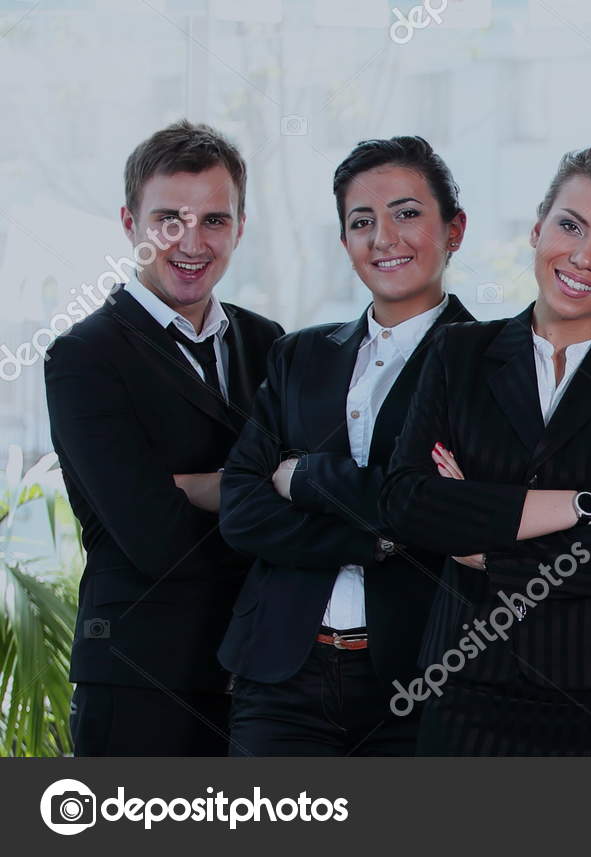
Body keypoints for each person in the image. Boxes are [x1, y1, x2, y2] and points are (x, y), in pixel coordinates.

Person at [380, 139, 591, 756]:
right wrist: (581, 506)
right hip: (467, 684)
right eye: (571, 225)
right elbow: (405, 502)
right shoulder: (458, 353)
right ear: (537, 225)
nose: (583, 257)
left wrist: (488, 550)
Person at [217, 136, 474, 755]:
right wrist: (377, 538)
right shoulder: (299, 355)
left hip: (420, 682)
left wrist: (305, 479)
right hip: (281, 677)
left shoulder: (491, 364)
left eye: (407, 213)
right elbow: (242, 508)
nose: (383, 237)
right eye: (363, 222)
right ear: (345, 244)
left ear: (454, 229)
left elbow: (462, 515)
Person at [44, 120, 283, 755]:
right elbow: (156, 539)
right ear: (130, 224)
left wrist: (201, 487)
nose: (191, 242)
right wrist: (269, 496)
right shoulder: (84, 356)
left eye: (214, 220)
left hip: (264, 685)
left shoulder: (271, 344)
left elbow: (314, 493)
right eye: (168, 219)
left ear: (240, 224)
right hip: (141, 682)